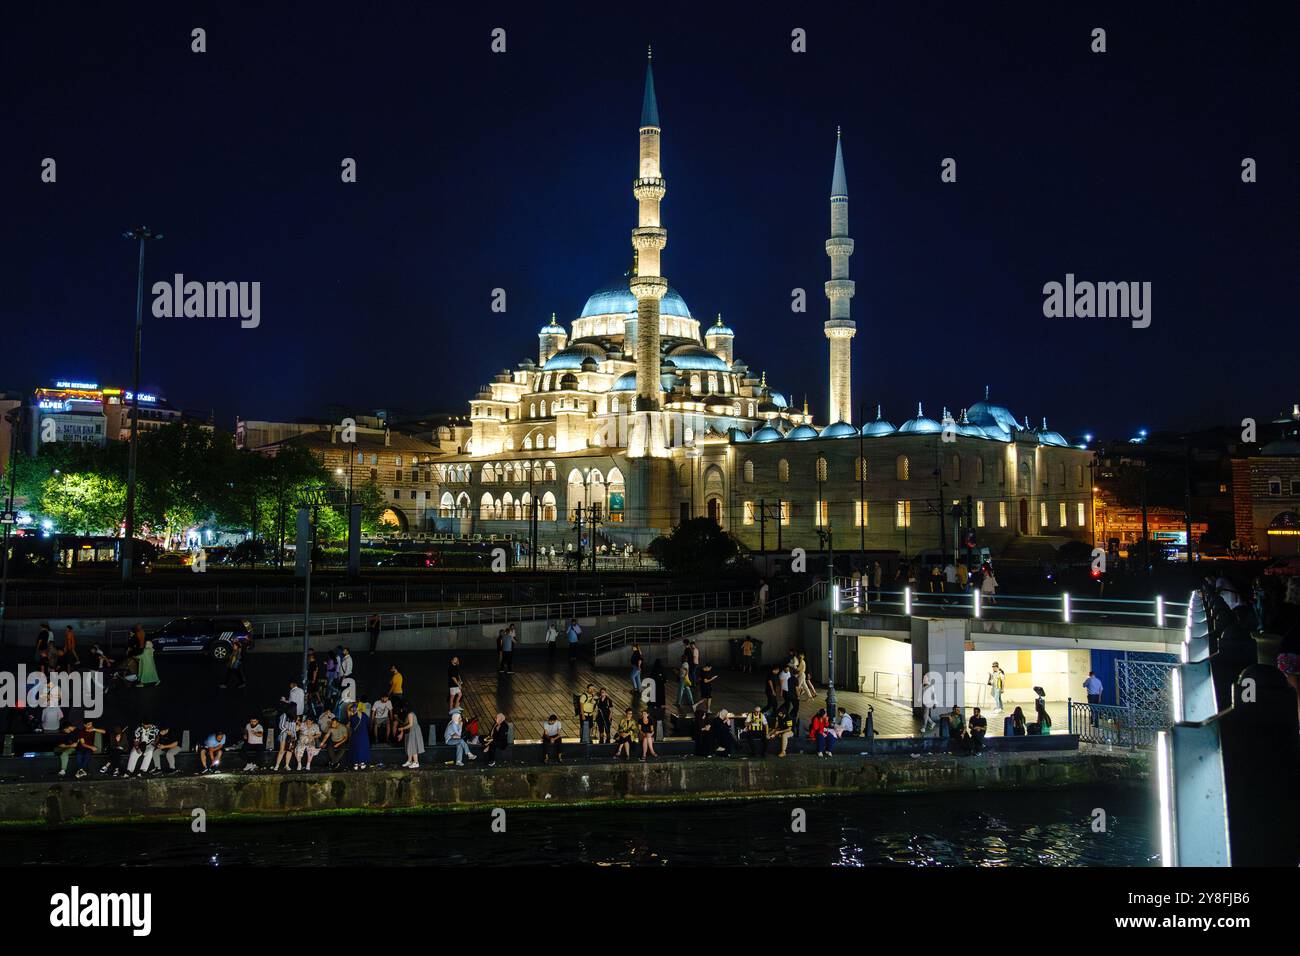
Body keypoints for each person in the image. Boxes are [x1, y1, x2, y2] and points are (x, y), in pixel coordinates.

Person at [347, 703, 371, 770]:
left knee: (355, 748)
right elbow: (368, 722)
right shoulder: (364, 714)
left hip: (355, 735)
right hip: (363, 734)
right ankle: (362, 763)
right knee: (363, 748)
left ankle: (356, 764)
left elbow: (351, 726)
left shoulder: (352, 717)